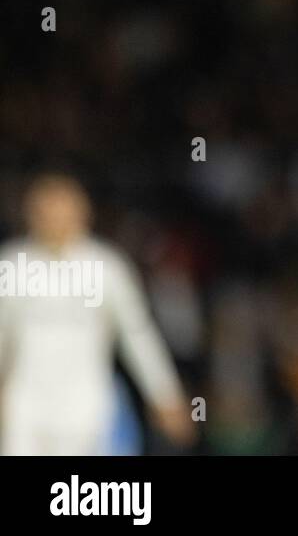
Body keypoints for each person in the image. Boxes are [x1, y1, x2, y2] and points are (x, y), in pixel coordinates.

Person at [0, 172, 196, 454]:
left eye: (63, 210)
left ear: (82, 212)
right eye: (46, 211)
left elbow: (137, 333)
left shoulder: (107, 267)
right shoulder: (11, 265)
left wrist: (165, 394)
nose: (55, 220)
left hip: (85, 407)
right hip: (24, 408)